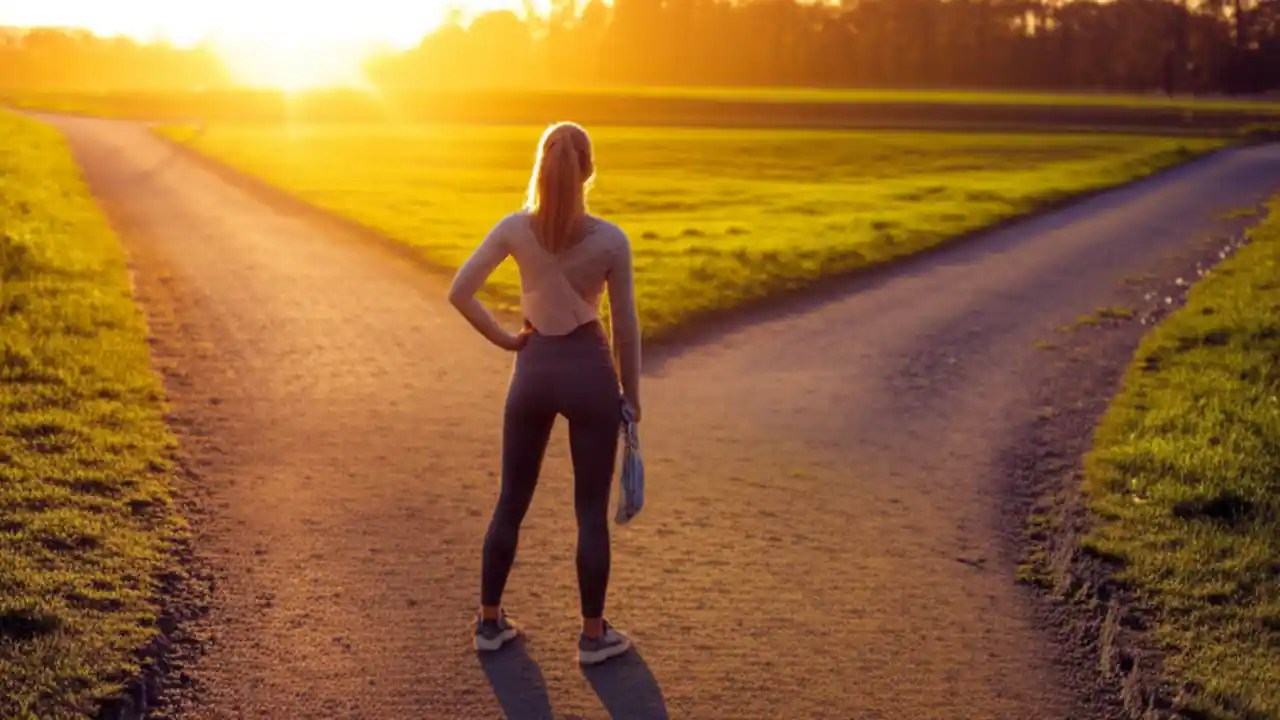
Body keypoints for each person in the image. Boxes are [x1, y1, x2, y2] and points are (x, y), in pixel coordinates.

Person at [448, 122, 641, 665]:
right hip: (590, 376)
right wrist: (632, 397)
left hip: (532, 374)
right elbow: (625, 326)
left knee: (511, 501)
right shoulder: (611, 240)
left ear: (540, 168)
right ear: (589, 171)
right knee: (589, 513)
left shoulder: (514, 228)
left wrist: (508, 340)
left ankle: (489, 622)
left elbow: (460, 292)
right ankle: (593, 636)